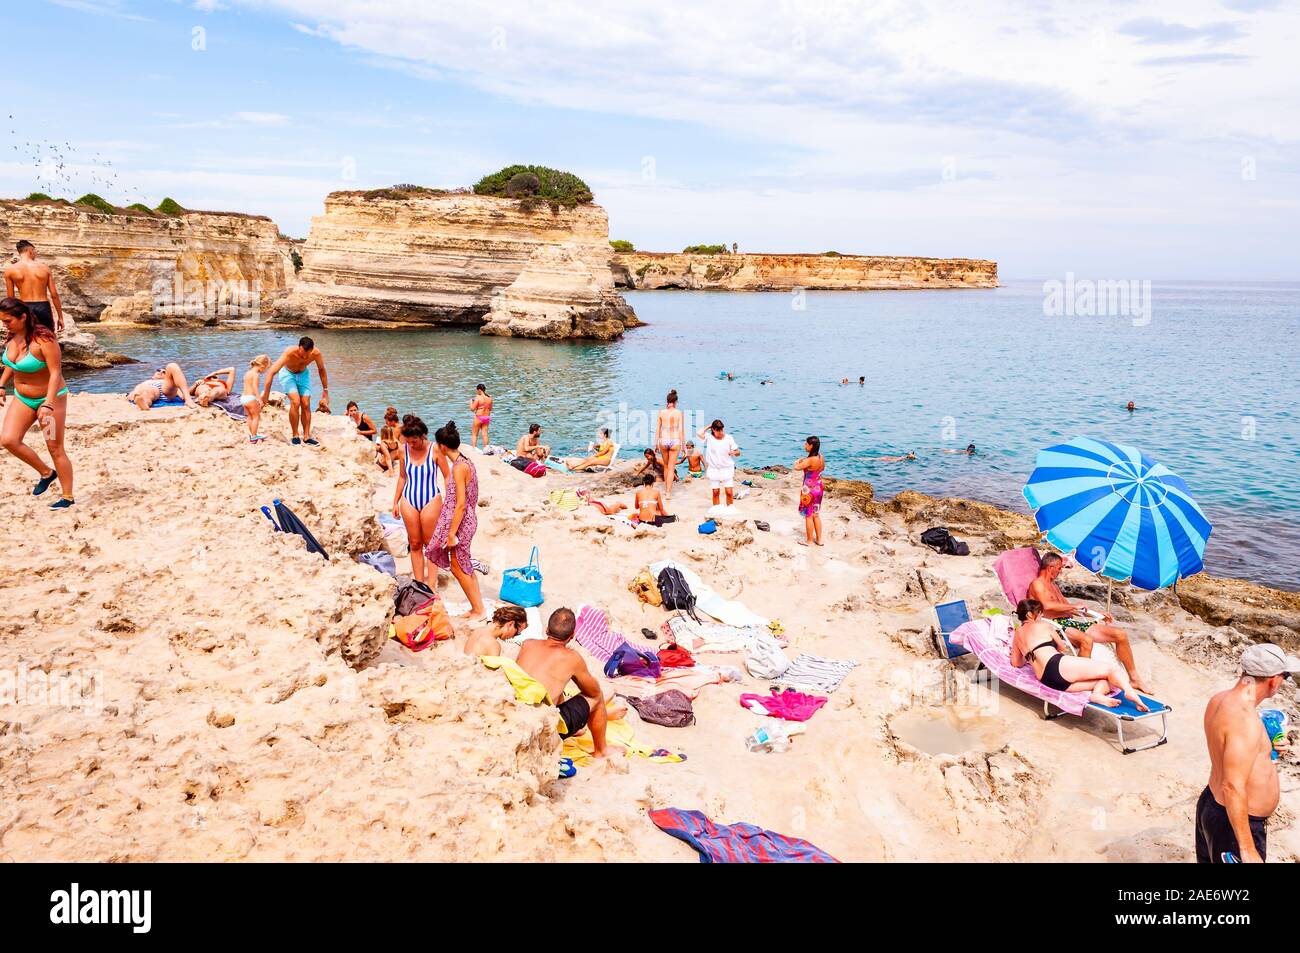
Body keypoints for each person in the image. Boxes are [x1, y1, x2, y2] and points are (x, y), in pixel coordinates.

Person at [1198, 643, 1299, 863]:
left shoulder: (1220, 699)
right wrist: (1247, 848)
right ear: (1274, 680)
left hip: (1213, 806)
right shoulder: (1245, 721)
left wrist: (1266, 747)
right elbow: (1232, 786)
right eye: (1286, 677)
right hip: (1234, 824)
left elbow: (1227, 748)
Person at [1027, 552, 1146, 691]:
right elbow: (1046, 606)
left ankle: (1134, 679)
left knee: (1120, 634)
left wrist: (1094, 614)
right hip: (1054, 626)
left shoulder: (1054, 587)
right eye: (1059, 568)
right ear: (1050, 567)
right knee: (1086, 640)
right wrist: (1073, 606)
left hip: (1070, 623)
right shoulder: (1037, 584)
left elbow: (1070, 610)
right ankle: (1081, 680)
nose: (1060, 571)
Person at [0, 298, 74, 508]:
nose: (5, 325)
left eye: (8, 321)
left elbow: (55, 372)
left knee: (55, 448)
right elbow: (12, 364)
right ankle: (46, 473)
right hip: (23, 398)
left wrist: (48, 403)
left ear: (23, 317)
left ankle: (67, 496)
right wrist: (2, 385)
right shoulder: (13, 335)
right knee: (8, 440)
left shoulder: (44, 339)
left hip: (50, 400)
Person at [1010, 599, 1147, 710]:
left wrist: (1031, 658)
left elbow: (1016, 663)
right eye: (1039, 613)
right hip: (1056, 665)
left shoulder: (1018, 634)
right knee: (1112, 670)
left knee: (1110, 682)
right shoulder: (1043, 625)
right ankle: (1130, 692)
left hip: (1048, 680)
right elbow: (1061, 647)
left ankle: (1097, 695)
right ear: (1029, 615)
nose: (1041, 616)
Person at [516, 608, 611, 758]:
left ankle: (575, 728)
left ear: (547, 630)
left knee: (553, 687)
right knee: (597, 697)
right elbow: (593, 692)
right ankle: (601, 751)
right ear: (572, 636)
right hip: (542, 730)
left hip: (516, 717)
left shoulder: (528, 644)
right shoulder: (572, 657)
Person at [426, 421, 485, 619]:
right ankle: (477, 607)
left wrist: (451, 533)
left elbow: (460, 503)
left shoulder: (459, 468)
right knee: (463, 563)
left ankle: (478, 609)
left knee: (458, 566)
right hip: (466, 519)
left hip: (461, 522)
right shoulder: (466, 462)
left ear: (442, 446)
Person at [392, 415, 449, 586]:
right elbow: (402, 477)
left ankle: (431, 585)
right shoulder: (403, 450)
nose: (411, 444)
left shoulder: (436, 449)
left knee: (431, 544)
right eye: (408, 441)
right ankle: (419, 584)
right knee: (414, 543)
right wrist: (395, 501)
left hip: (431, 499)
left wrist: (449, 501)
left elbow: (447, 477)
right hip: (409, 499)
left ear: (423, 436)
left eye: (414, 441)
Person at [261, 337, 329, 446]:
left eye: (307, 355)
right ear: (299, 347)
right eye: (302, 354)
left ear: (312, 350)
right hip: (288, 374)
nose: (304, 357)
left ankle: (307, 437)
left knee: (306, 404)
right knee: (296, 402)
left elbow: (321, 369)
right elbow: (271, 372)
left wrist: (325, 390)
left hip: (303, 375)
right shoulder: (289, 352)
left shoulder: (316, 353)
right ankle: (295, 435)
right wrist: (266, 395)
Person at [4, 240, 63, 332]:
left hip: (24, 307)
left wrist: (11, 319)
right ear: (30, 250)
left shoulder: (10, 270)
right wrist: (60, 317)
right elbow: (54, 294)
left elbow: (11, 299)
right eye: (35, 252)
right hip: (43, 306)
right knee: (48, 337)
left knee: (26, 337)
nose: (35, 254)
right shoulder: (44, 268)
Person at [698, 418, 740, 507]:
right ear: (713, 430)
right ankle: (716, 509)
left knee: (729, 492)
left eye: (722, 430)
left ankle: (730, 508)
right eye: (718, 430)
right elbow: (699, 433)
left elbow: (738, 452)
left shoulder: (729, 438)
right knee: (715, 492)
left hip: (727, 468)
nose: (721, 432)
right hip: (714, 469)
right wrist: (709, 426)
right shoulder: (709, 437)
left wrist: (733, 452)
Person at [793, 435, 825, 546]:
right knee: (816, 514)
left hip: (809, 490)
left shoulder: (810, 460)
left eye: (806, 444)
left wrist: (797, 462)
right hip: (819, 487)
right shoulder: (821, 457)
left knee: (808, 515)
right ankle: (819, 540)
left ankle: (809, 540)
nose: (804, 445)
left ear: (811, 446)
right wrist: (804, 461)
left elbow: (796, 467)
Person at [463, 605, 529, 658]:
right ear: (510, 624)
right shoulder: (494, 645)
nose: (513, 637)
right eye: (517, 633)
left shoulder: (477, 631)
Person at [655, 389, 684, 501]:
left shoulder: (661, 412)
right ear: (676, 401)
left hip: (663, 440)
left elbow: (658, 429)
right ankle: (668, 493)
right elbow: (681, 430)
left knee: (666, 466)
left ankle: (666, 489)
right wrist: (684, 446)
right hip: (675, 440)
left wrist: (655, 444)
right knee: (671, 468)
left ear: (667, 401)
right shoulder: (678, 413)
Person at [128, 363, 197, 410]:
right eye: (158, 370)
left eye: (164, 372)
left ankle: (188, 400)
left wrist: (185, 397)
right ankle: (144, 404)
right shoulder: (147, 382)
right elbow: (137, 388)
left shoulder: (166, 381)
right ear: (153, 376)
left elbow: (181, 394)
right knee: (147, 391)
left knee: (172, 366)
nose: (161, 372)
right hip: (148, 390)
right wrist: (134, 394)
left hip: (165, 389)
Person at [240, 355, 269, 443]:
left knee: (250, 417)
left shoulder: (247, 373)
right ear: (262, 365)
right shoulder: (256, 374)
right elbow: (255, 387)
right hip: (250, 398)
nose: (264, 371)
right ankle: (254, 436)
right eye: (265, 369)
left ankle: (252, 434)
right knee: (256, 417)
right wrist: (259, 399)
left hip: (243, 397)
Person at [469, 384, 493, 450]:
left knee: (474, 434)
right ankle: (486, 449)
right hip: (486, 417)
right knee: (485, 434)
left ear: (479, 390)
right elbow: (490, 409)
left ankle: (474, 449)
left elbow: (472, 409)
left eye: (477, 390)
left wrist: (471, 402)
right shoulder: (489, 398)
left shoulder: (478, 398)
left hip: (479, 417)